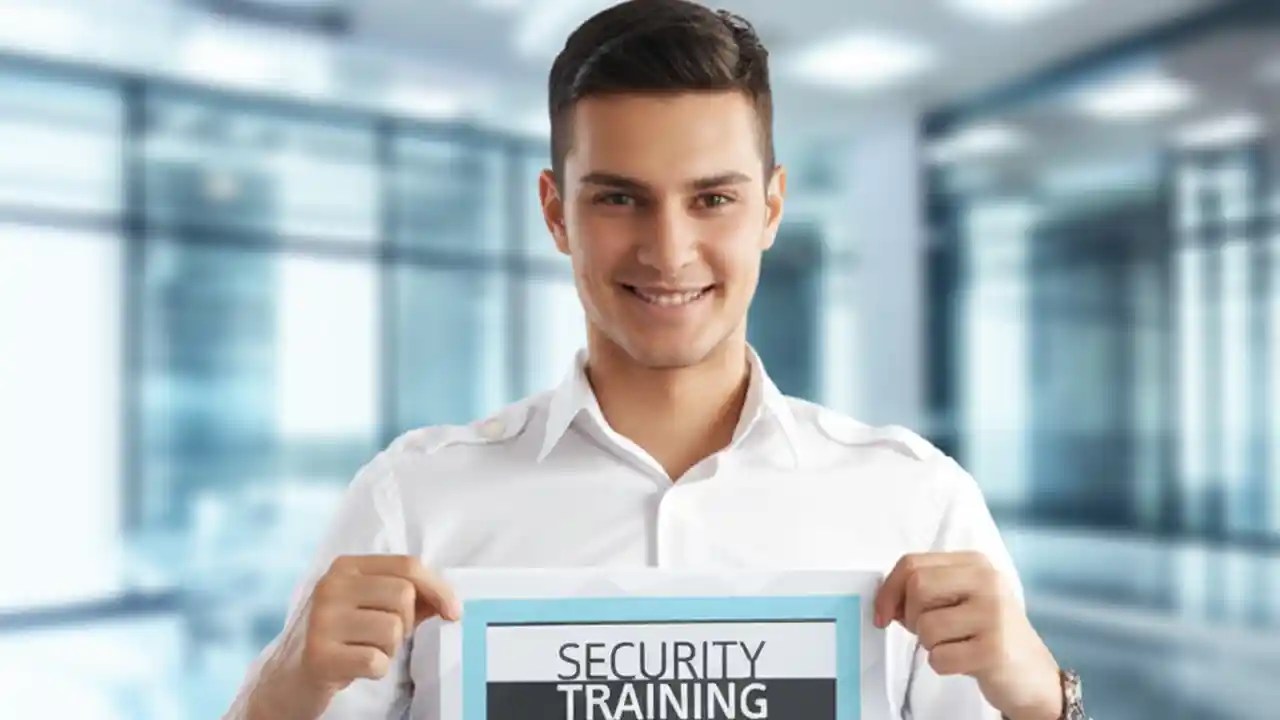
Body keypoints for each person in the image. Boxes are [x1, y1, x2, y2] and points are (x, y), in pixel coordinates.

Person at [224, 1, 1084, 718]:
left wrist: (1046, 701)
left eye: (713, 199)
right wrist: (282, 688)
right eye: (619, 199)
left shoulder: (916, 500)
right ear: (556, 213)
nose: (669, 252)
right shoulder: (412, 501)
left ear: (772, 208)